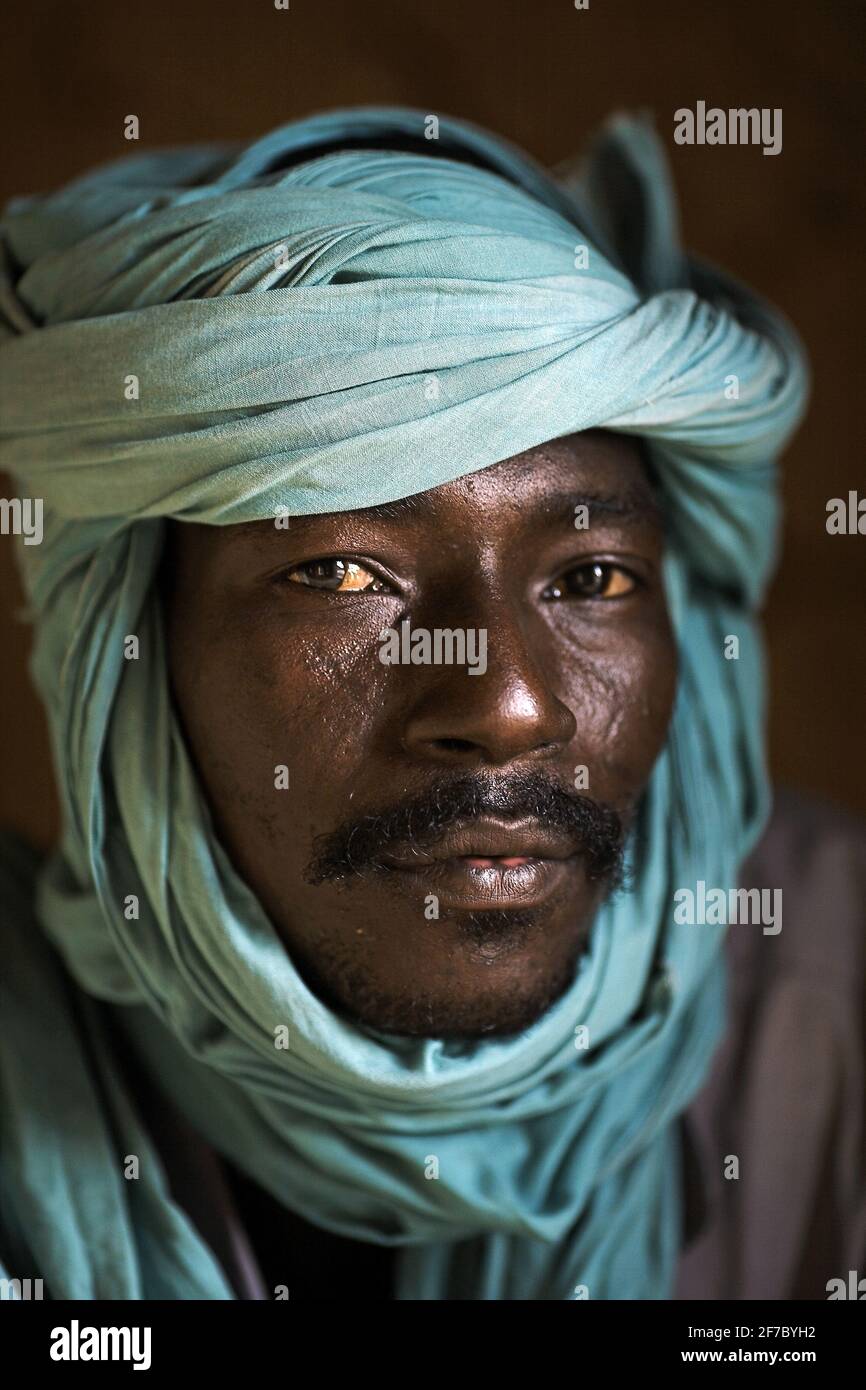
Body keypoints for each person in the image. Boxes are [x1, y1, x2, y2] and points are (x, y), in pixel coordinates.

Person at [0, 104, 862, 1302]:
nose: (508, 704)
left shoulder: (837, 990)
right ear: (125, 647)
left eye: (590, 579)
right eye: (341, 576)